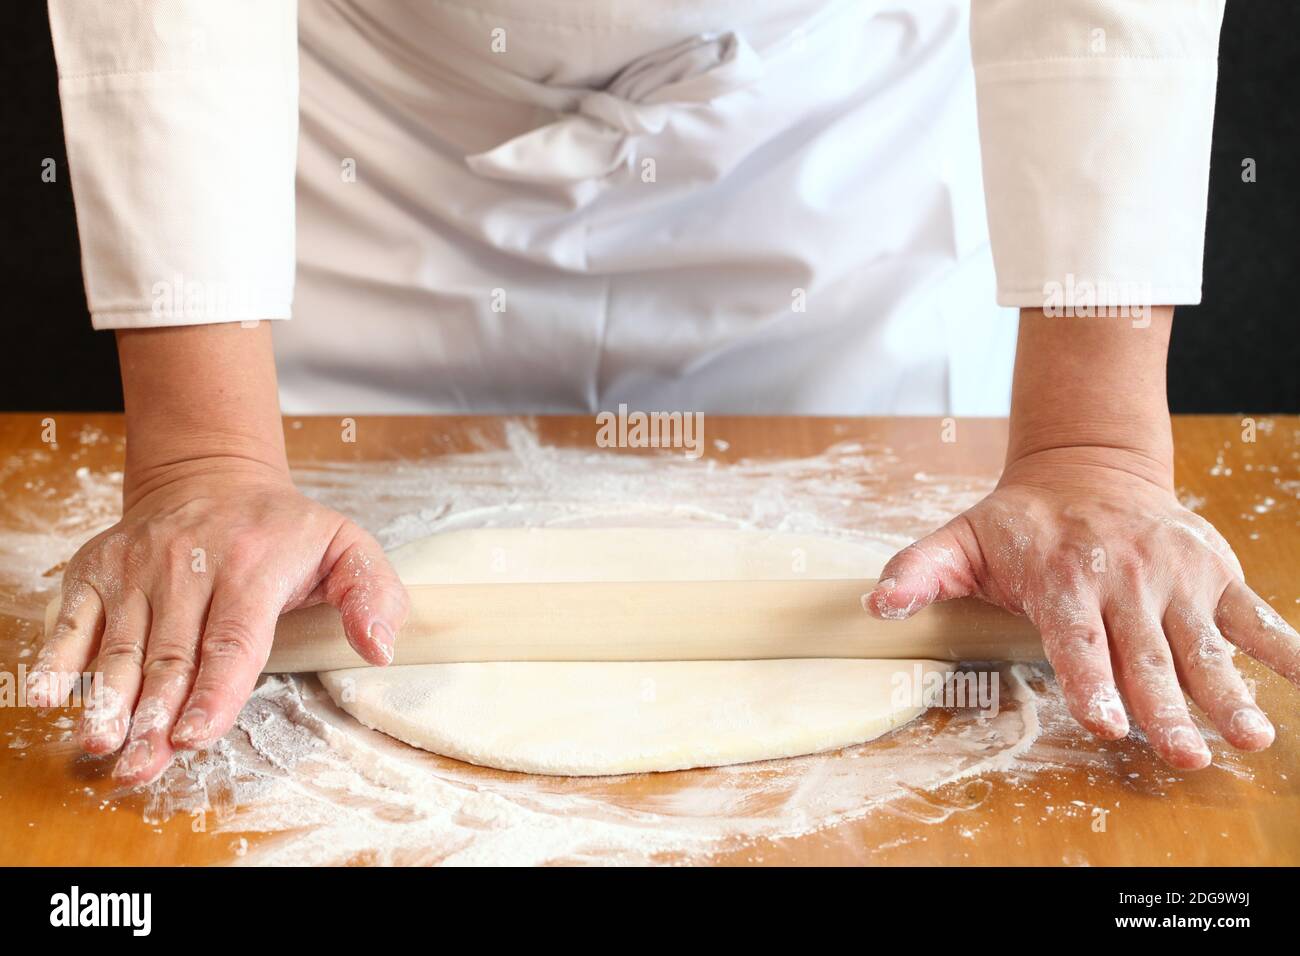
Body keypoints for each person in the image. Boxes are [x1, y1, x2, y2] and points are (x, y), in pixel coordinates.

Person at [29, 0, 1298, 787]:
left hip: (829, 146)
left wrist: (1093, 445)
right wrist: (205, 458)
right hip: (378, 141)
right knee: (258, 612)